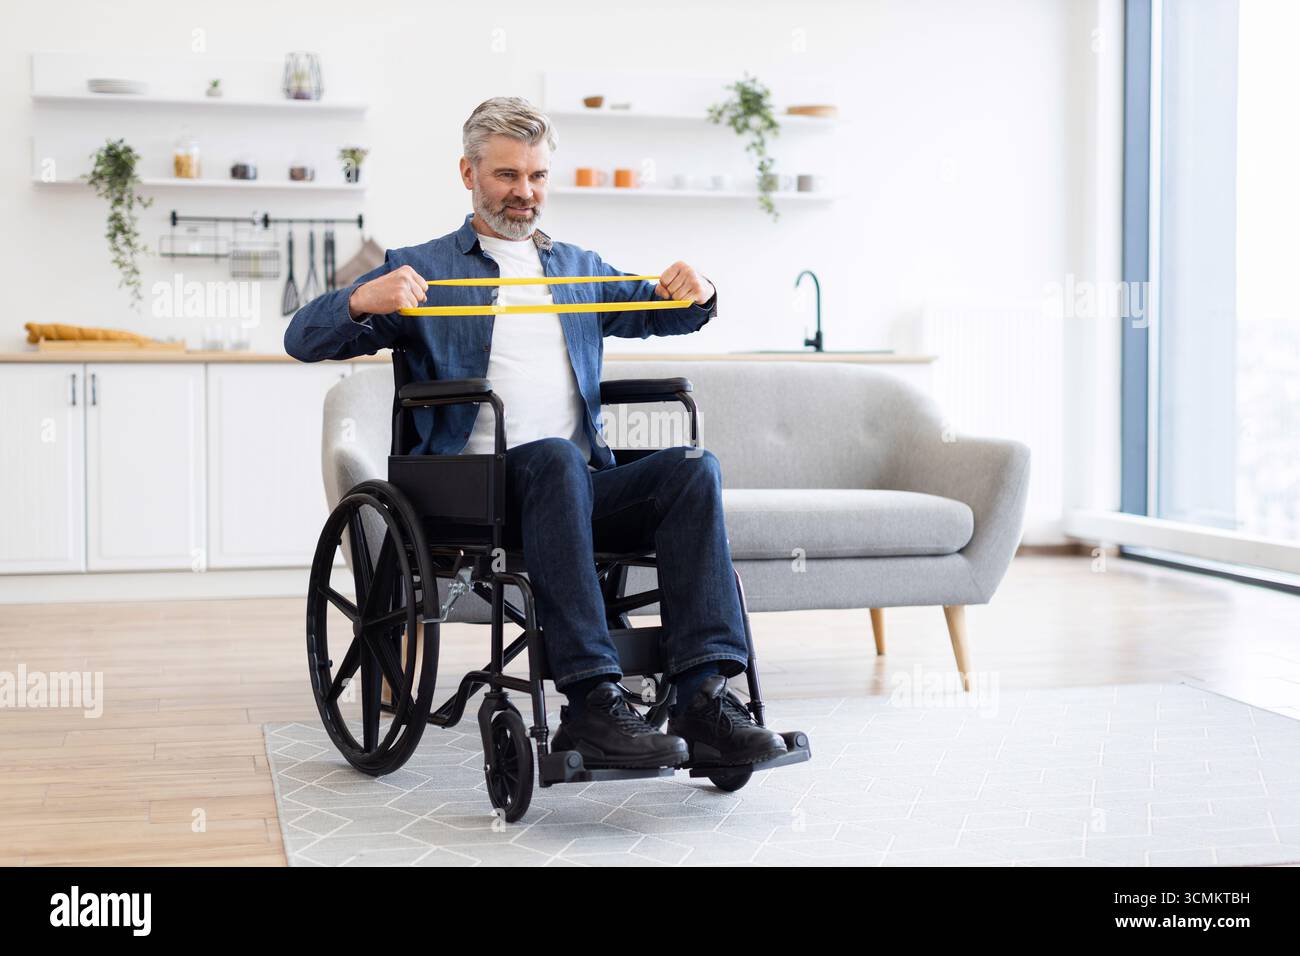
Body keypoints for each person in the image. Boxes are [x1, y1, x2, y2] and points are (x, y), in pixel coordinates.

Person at [285, 96, 786, 770]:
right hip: (473, 494)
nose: (525, 193)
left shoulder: (575, 265)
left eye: (538, 176)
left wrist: (699, 288)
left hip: (577, 484)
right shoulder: (421, 268)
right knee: (552, 459)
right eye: (506, 176)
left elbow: (666, 311)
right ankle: (592, 703)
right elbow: (302, 338)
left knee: (693, 467)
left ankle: (705, 698)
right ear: (468, 173)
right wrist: (360, 299)